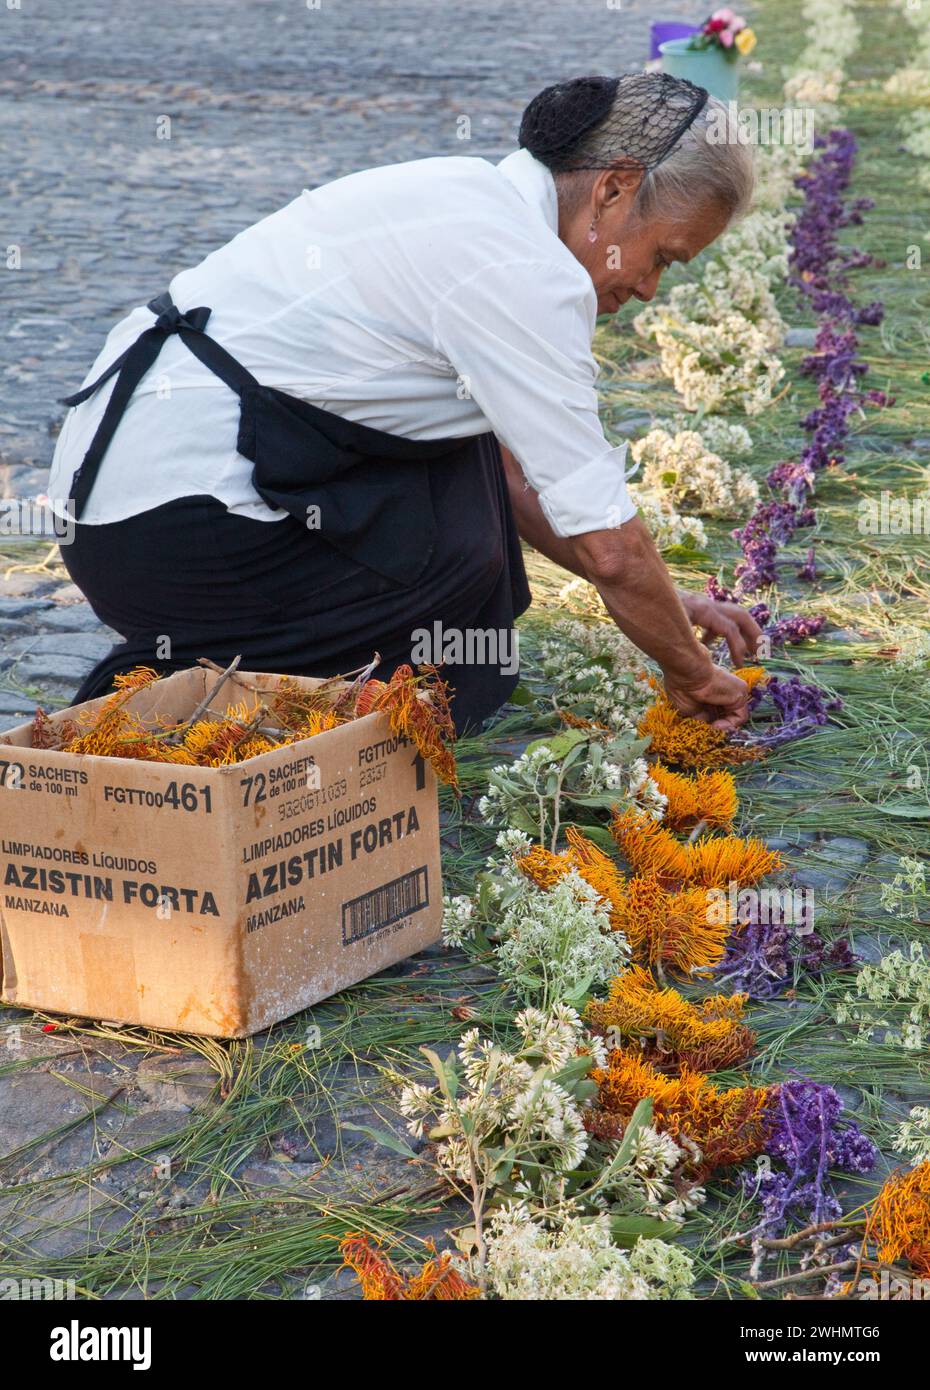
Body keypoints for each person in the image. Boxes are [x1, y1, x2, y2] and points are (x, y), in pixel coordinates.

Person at [47, 71, 761, 733]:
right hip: (171, 533)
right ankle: (167, 700)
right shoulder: (527, 272)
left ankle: (272, 674)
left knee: (473, 476)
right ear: (612, 189)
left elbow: (528, 480)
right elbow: (608, 545)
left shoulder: (467, 193)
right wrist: (693, 675)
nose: (647, 290)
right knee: (462, 558)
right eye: (663, 257)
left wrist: (671, 609)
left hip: (114, 506)